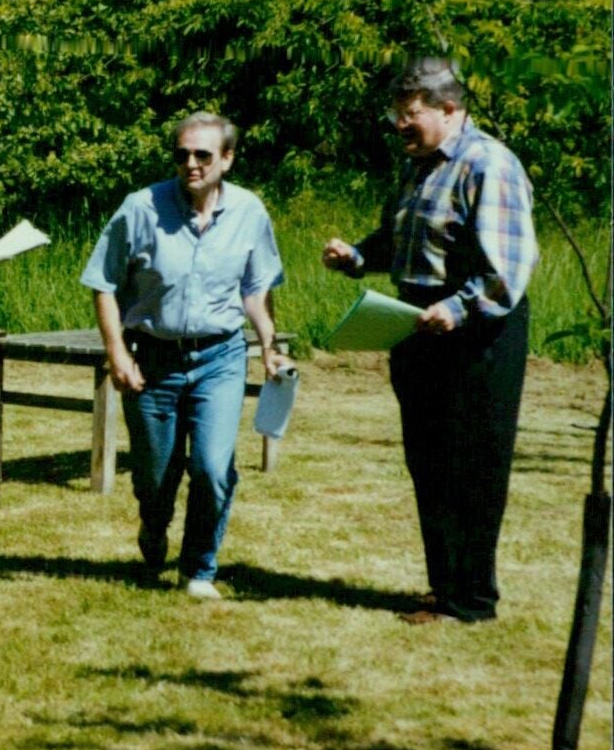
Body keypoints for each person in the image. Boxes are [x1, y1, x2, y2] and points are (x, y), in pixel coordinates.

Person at [323, 58, 538, 625]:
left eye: (409, 113)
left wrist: (459, 307)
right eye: (396, 114)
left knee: (472, 463)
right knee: (430, 460)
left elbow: (508, 270)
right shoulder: (421, 165)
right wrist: (359, 258)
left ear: (449, 109)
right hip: (416, 322)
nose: (399, 124)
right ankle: (444, 588)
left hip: (477, 332)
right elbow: (404, 239)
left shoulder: (488, 163)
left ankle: (471, 601)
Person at [81, 112, 291, 599]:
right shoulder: (140, 208)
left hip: (220, 357)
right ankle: (153, 527)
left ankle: (199, 568)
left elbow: (257, 289)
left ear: (228, 158)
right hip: (153, 358)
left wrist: (268, 345)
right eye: (182, 155)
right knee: (156, 477)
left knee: (213, 469)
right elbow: (102, 283)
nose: (191, 164)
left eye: (202, 155)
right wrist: (117, 353)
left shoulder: (249, 212)